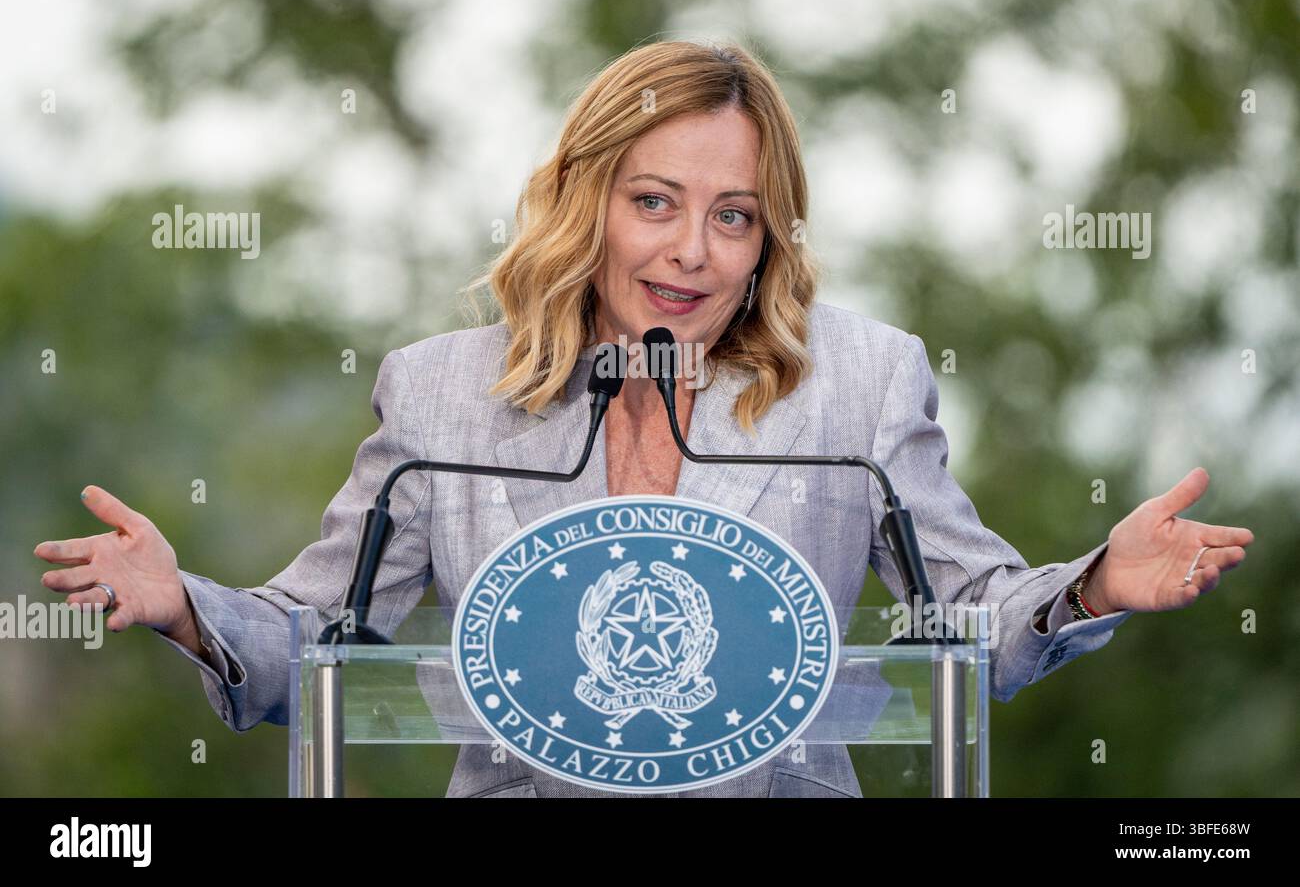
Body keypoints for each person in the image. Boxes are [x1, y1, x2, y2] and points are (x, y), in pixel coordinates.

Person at [35, 40, 1254, 798]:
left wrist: (1093, 584)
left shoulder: (862, 383)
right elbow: (307, 643)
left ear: (769, 231)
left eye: (732, 215)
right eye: (655, 201)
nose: (689, 249)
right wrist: (186, 601)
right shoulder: (440, 391)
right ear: (587, 201)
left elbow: (968, 622)